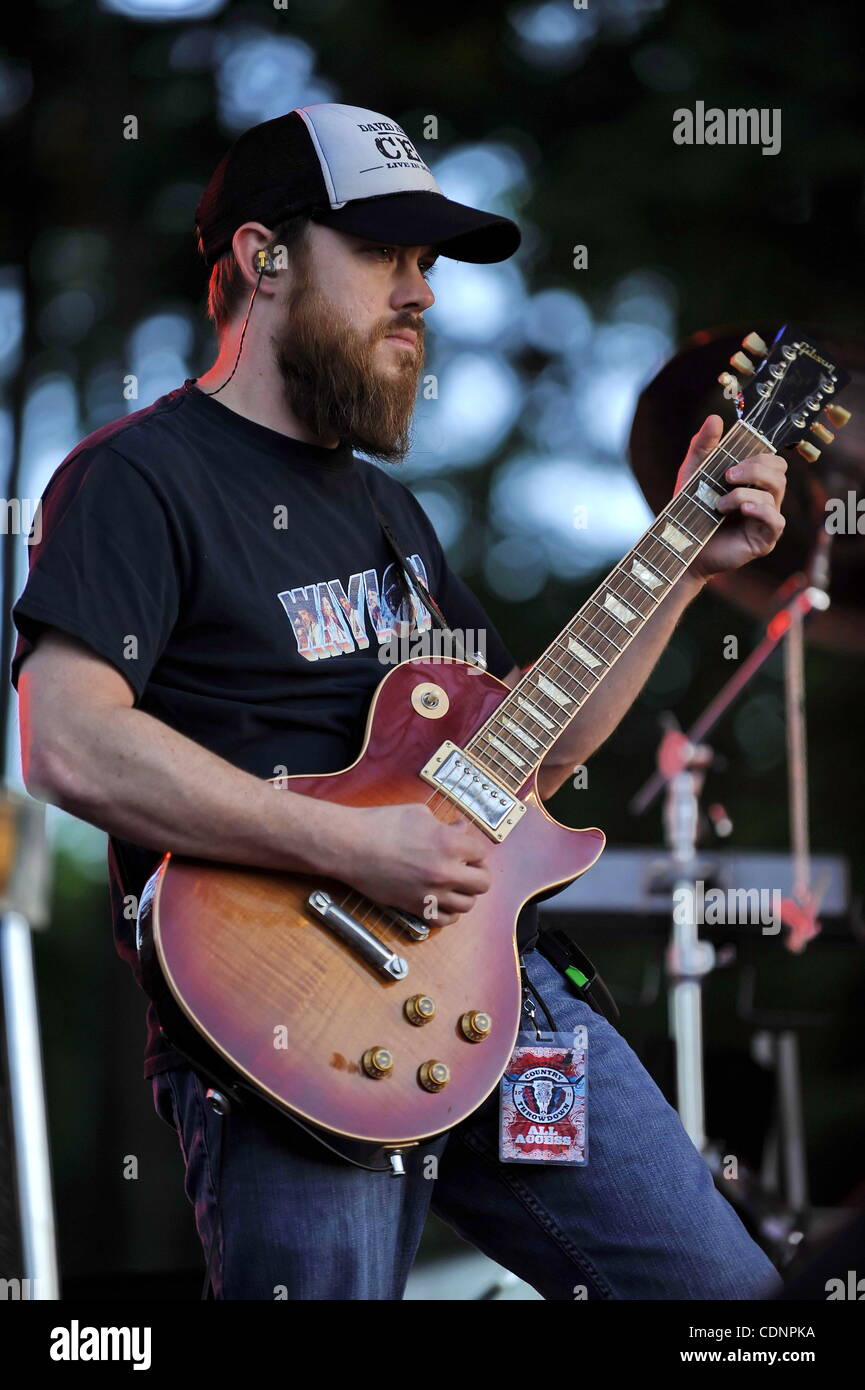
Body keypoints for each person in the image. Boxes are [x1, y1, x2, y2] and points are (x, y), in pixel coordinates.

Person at [11, 103, 787, 1300]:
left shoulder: (389, 512)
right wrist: (354, 841)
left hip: (500, 998)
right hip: (286, 1024)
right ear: (264, 259)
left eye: (426, 264)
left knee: (739, 1312)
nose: (420, 294)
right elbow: (67, 741)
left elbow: (516, 760)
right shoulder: (137, 477)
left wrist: (680, 561)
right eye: (383, 254)